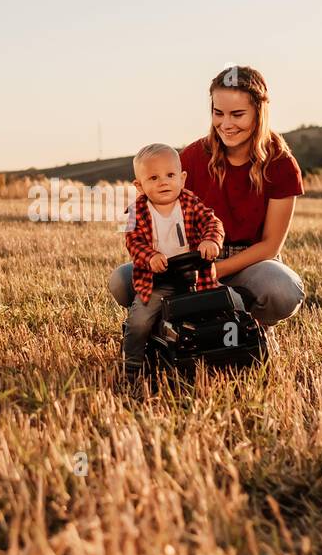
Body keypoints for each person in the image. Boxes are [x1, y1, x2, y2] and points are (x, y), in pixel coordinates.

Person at [108, 65, 305, 331]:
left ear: (259, 112)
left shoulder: (281, 164)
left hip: (252, 263)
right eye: (218, 113)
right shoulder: (192, 156)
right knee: (122, 279)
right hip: (193, 259)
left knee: (282, 289)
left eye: (237, 114)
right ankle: (177, 320)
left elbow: (270, 246)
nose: (226, 124)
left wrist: (216, 271)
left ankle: (253, 327)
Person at [120, 143, 230, 376]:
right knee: (139, 321)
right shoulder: (134, 212)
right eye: (153, 177)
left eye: (170, 175)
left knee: (229, 306)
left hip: (197, 279)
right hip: (159, 281)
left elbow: (213, 223)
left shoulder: (190, 202)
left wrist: (211, 240)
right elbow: (133, 242)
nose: (163, 182)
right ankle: (132, 366)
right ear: (139, 185)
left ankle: (228, 352)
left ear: (182, 178)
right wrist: (150, 256)